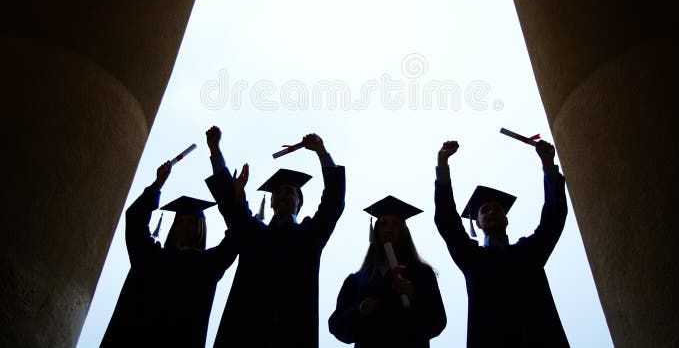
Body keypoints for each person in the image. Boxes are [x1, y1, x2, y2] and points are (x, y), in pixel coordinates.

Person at [204, 125, 345, 348]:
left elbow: (333, 203)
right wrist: (215, 151)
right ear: (270, 202)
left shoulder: (310, 235)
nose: (283, 195)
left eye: (290, 191)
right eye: (278, 192)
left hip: (293, 333)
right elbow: (232, 208)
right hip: (245, 332)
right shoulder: (253, 232)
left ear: (300, 201)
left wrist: (321, 152)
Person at [434, 139, 569, 347]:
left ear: (506, 218)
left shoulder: (529, 252)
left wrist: (548, 164)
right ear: (477, 224)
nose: (492, 211)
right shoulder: (472, 259)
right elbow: (447, 222)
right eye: (484, 210)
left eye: (497, 208)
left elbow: (554, 216)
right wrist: (442, 166)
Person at [100, 160, 238, 348]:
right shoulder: (150, 257)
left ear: (201, 228)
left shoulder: (208, 264)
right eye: (180, 221)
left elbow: (237, 234)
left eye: (191, 222)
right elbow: (134, 220)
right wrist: (157, 185)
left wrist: (233, 196)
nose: (185, 226)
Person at [329, 195, 447, 347]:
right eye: (383, 224)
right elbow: (337, 326)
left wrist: (413, 296)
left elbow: (437, 323)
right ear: (376, 231)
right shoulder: (357, 280)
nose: (389, 229)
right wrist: (359, 311)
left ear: (403, 231)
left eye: (395, 224)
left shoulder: (422, 274)